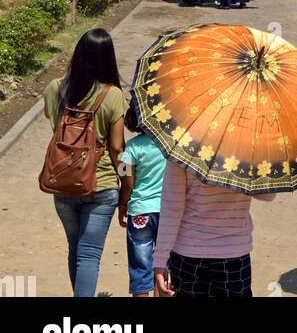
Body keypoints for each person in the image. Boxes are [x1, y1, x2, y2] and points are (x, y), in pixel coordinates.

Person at [42, 29, 127, 298]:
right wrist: (126, 183)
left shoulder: (56, 88)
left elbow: (50, 118)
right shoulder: (113, 96)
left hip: (63, 183)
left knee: (75, 248)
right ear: (108, 59)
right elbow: (117, 149)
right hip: (100, 188)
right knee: (89, 254)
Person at [153, 160, 276, 299]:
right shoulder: (250, 149)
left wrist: (160, 260)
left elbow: (172, 207)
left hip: (188, 253)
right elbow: (267, 195)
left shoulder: (183, 145)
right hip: (233, 253)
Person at [118, 101, 167, 297]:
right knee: (164, 267)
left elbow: (126, 182)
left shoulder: (131, 148)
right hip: (168, 212)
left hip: (140, 212)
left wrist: (122, 205)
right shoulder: (168, 146)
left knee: (140, 267)